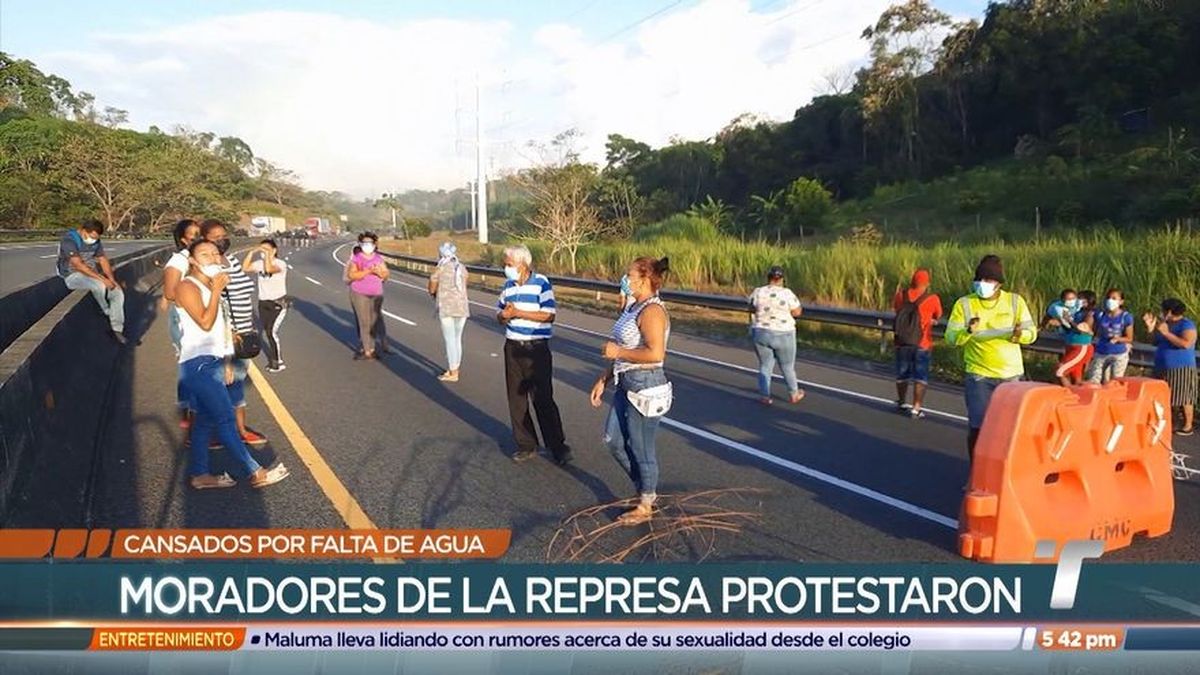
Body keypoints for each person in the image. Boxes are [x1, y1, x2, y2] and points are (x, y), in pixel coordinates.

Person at [174, 239, 289, 490]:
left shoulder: (211, 285)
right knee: (226, 418)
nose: (213, 259)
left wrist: (226, 361)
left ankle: (199, 475)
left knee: (205, 421)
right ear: (192, 260)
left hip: (213, 360)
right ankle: (256, 472)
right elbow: (205, 322)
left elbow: (221, 328)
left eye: (216, 254)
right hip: (198, 363)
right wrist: (217, 290)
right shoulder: (187, 286)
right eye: (205, 255)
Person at [591, 256, 672, 525]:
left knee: (641, 448)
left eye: (630, 275)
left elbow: (656, 354)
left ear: (645, 279)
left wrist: (617, 352)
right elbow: (622, 348)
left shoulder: (652, 311)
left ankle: (646, 502)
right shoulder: (633, 306)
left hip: (645, 385)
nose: (625, 280)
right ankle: (645, 489)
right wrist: (604, 378)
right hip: (624, 381)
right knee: (613, 440)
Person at [945, 254, 1037, 463]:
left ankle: (1005, 468)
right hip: (979, 375)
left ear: (998, 283)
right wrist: (968, 331)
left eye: (987, 280)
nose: (982, 284)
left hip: (1011, 375)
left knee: (1010, 428)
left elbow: (1031, 333)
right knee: (978, 427)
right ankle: (977, 470)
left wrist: (1019, 335)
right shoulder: (964, 304)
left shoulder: (1015, 302)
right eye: (979, 279)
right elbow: (950, 338)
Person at [496, 245, 572, 465]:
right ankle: (526, 444)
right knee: (516, 399)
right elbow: (499, 314)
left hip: (535, 349)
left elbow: (549, 315)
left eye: (509, 264)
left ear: (522, 264)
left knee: (543, 398)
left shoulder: (541, 283)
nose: (506, 268)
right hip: (513, 346)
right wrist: (504, 315)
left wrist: (518, 312)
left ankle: (557, 446)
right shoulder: (508, 286)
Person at [201, 220, 267, 447]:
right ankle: (216, 432)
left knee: (236, 383)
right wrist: (227, 332)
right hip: (227, 332)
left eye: (224, 235)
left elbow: (244, 292)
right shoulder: (209, 267)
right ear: (205, 240)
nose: (222, 240)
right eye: (215, 237)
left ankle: (237, 430)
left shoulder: (231, 260)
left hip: (244, 329)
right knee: (223, 382)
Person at [56, 219, 126, 344]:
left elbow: (102, 259)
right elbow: (78, 265)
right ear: (84, 231)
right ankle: (105, 310)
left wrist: (112, 280)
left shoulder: (96, 241)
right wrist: (103, 279)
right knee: (98, 286)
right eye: (92, 237)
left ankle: (117, 329)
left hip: (91, 275)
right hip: (73, 275)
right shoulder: (69, 240)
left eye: (96, 238)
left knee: (118, 293)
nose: (93, 240)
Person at [747, 266, 804, 405]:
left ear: (768, 278)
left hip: (761, 332)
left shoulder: (758, 292)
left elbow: (751, 308)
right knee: (787, 366)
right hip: (784, 333)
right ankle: (794, 393)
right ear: (782, 279)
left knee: (765, 365)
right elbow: (797, 312)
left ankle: (765, 395)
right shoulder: (787, 293)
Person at [163, 219, 201, 429]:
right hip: (184, 319)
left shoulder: (200, 257)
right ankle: (190, 414)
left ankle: (190, 411)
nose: (199, 237)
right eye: (194, 235)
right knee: (192, 364)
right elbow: (170, 293)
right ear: (184, 239)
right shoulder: (179, 260)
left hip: (198, 317)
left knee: (195, 364)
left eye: (200, 233)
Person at [892, 268, 943, 419]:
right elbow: (938, 315)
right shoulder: (932, 298)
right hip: (922, 342)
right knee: (920, 376)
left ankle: (901, 401)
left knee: (902, 374)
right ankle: (916, 408)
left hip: (902, 341)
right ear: (927, 283)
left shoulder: (901, 295)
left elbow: (896, 310)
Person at [1145, 298, 1196, 436]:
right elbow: (1154, 342)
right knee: (1163, 395)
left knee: (1183, 396)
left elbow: (1186, 343)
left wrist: (1167, 333)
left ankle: (1187, 425)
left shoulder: (1187, 325)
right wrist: (1151, 329)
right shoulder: (1165, 324)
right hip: (1162, 366)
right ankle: (1167, 422)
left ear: (1169, 312)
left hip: (1181, 367)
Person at [244, 239, 289, 373]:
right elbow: (245, 268)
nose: (263, 252)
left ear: (274, 250)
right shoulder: (259, 264)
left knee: (271, 332)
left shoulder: (280, 264)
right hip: (263, 302)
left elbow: (269, 269)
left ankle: (277, 362)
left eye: (266, 249)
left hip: (278, 303)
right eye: (261, 249)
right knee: (267, 331)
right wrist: (252, 252)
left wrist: (268, 256)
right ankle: (276, 359)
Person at [428, 241, 469, 382]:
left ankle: (453, 372)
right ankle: (455, 366)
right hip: (462, 307)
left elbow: (432, 286)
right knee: (457, 339)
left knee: (450, 339)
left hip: (446, 308)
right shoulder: (461, 267)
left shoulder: (440, 268)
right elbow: (465, 283)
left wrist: (434, 293)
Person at [346, 232, 390, 360]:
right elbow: (352, 275)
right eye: (364, 243)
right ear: (360, 244)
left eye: (370, 243)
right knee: (364, 322)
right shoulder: (357, 258)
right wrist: (368, 271)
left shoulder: (378, 259)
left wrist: (379, 272)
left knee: (374, 322)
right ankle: (367, 350)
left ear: (374, 244)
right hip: (359, 293)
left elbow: (386, 274)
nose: (367, 245)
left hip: (376, 293)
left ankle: (373, 348)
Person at [1087, 288, 1134, 384]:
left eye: (1114, 298)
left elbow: (1129, 338)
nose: (1110, 301)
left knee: (1114, 381)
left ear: (1121, 301)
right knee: (1094, 379)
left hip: (1118, 353)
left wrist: (1118, 339)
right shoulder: (1100, 315)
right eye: (1108, 298)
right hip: (1101, 351)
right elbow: (1091, 330)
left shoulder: (1125, 317)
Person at [1055, 289, 1095, 386]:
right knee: (1076, 378)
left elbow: (1083, 328)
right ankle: (1080, 392)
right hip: (1071, 347)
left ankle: (1069, 392)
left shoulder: (1089, 315)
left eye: (1080, 299)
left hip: (1081, 347)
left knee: (1060, 371)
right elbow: (1070, 328)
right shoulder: (1076, 313)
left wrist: (1069, 320)